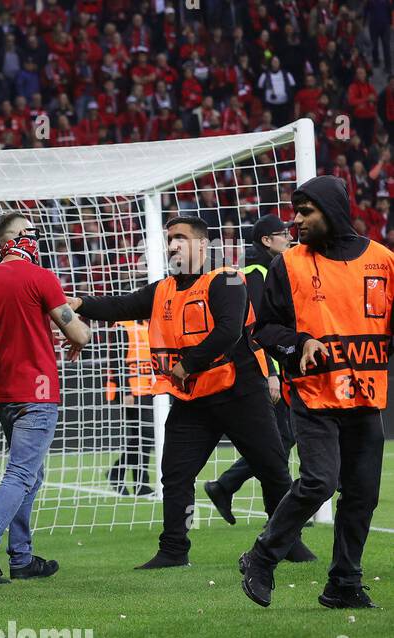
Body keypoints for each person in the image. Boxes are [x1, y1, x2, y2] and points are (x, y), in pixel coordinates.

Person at [69, 215, 311, 570]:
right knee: (176, 474)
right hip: (193, 398)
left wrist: (187, 365)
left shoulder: (226, 279)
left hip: (238, 390)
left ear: (202, 244)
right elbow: (121, 306)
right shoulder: (163, 289)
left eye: (180, 238)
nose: (172, 245)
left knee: (273, 468)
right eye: (169, 239)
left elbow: (229, 331)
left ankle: (288, 542)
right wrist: (80, 303)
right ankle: (173, 550)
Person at [241, 176, 393, 609]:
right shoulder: (287, 265)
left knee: (362, 494)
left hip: (365, 398)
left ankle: (344, 583)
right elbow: (265, 329)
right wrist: (300, 343)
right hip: (314, 395)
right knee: (320, 482)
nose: (297, 220)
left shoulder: (383, 261)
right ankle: (261, 557)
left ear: (332, 210)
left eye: (306, 211)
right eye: (296, 211)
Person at [0, 212, 92, 585]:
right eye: (29, 232)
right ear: (15, 238)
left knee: (30, 474)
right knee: (21, 473)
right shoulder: (41, 278)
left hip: (4, 393)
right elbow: (78, 335)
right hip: (38, 391)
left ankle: (21, 557)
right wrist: (81, 332)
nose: (35, 238)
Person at [203, 214, 298, 524]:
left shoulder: (253, 269)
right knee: (280, 438)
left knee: (282, 437)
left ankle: (228, 485)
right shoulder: (256, 272)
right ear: (266, 241)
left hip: (261, 367)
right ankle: (282, 509)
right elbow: (258, 327)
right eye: (282, 233)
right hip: (262, 368)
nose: (288, 237)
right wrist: (271, 372)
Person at [107, 319, 156, 496]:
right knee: (145, 435)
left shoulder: (148, 325)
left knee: (143, 437)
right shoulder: (123, 325)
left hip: (148, 388)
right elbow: (116, 360)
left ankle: (137, 482)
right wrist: (125, 390)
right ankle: (126, 476)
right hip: (132, 391)